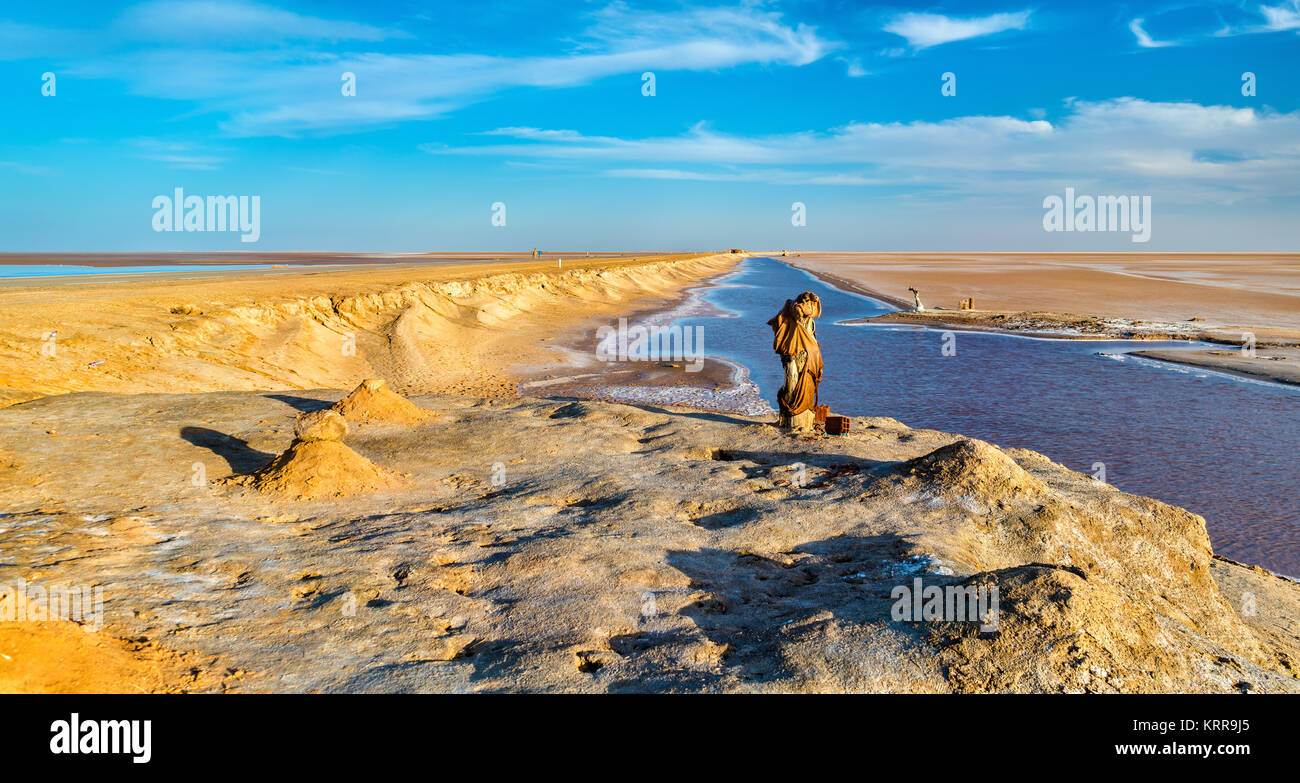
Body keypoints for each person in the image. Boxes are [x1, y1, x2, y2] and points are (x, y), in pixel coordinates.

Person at [767, 291, 823, 431]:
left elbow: (808, 312)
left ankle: (802, 419)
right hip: (795, 355)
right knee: (792, 380)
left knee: (804, 381)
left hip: (807, 354)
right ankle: (793, 419)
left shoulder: (805, 317)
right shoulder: (793, 310)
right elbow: (797, 312)